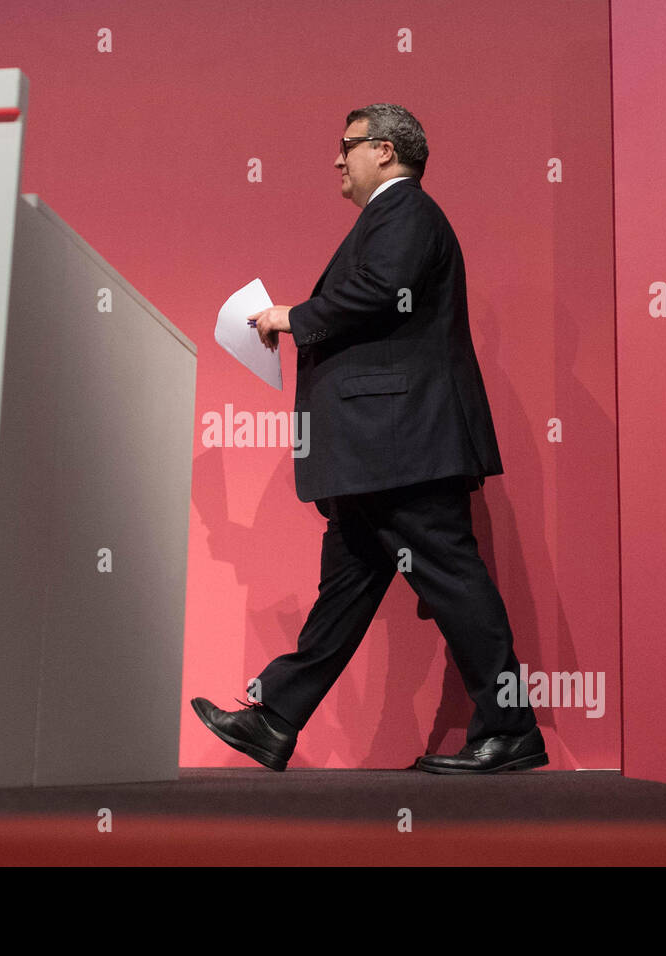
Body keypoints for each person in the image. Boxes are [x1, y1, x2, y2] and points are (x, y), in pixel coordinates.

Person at [191, 104, 547, 774]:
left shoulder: (406, 211)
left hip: (402, 445)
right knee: (347, 591)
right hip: (382, 451)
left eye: (345, 146)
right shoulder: (392, 218)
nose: (337, 160)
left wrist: (288, 316)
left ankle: (510, 729)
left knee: (453, 579)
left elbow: (382, 290)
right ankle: (272, 720)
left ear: (383, 150)